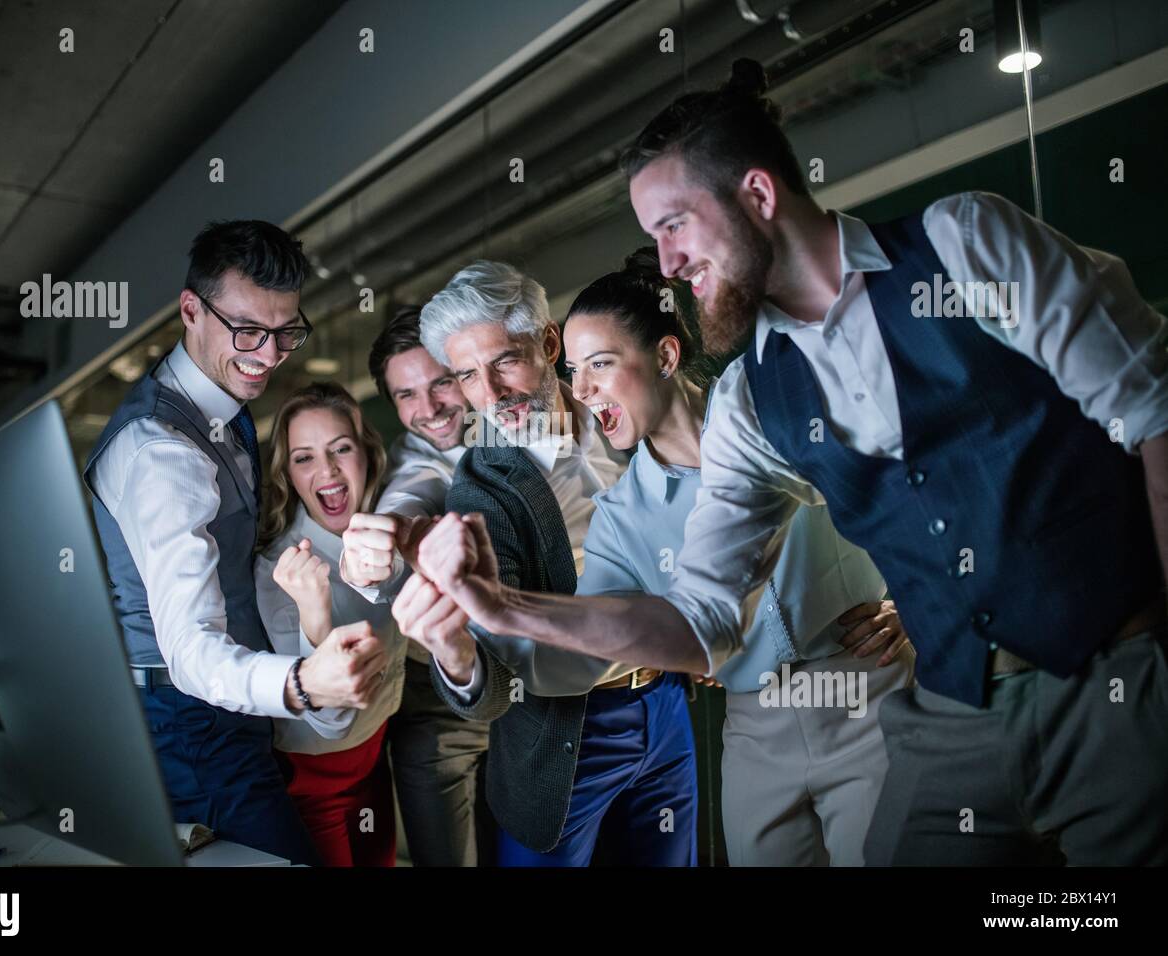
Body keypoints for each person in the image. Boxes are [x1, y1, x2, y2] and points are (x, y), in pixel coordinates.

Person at [402, 58, 1168, 866]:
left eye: (673, 227)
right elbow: (701, 621)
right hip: (953, 715)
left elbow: (1152, 408)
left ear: (758, 197)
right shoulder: (750, 403)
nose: (664, 264)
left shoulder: (964, 243)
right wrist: (501, 607)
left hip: (1116, 679)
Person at [564, 248, 912, 865]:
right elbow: (589, 641)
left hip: (867, 690)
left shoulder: (772, 401)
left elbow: (904, 481)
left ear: (666, 356)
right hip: (752, 728)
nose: (580, 388)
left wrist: (916, 605)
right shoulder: (621, 516)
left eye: (599, 364)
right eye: (572, 370)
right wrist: (489, 611)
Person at [84, 220, 384, 865]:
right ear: (191, 310)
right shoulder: (163, 453)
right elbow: (190, 649)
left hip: (233, 714)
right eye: (249, 330)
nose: (270, 354)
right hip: (191, 717)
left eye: (285, 332)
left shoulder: (227, 408)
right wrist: (306, 681)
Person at [398, 260, 712, 868]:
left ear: (548, 342)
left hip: (664, 703)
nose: (489, 396)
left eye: (503, 363)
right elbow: (498, 672)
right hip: (562, 737)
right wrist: (456, 656)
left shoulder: (629, 413)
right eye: (466, 376)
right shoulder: (482, 490)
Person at [336, 307, 492, 867]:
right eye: (405, 396)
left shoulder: (523, 436)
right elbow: (411, 494)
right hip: (435, 702)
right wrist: (382, 543)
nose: (427, 410)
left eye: (440, 383)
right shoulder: (412, 466)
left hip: (528, 692)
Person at [255, 383, 406, 867]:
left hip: (373, 759)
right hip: (312, 779)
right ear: (288, 475)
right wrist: (315, 613)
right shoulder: (280, 570)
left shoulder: (393, 525)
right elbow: (329, 719)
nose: (327, 471)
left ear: (366, 452)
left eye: (341, 448)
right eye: (304, 458)